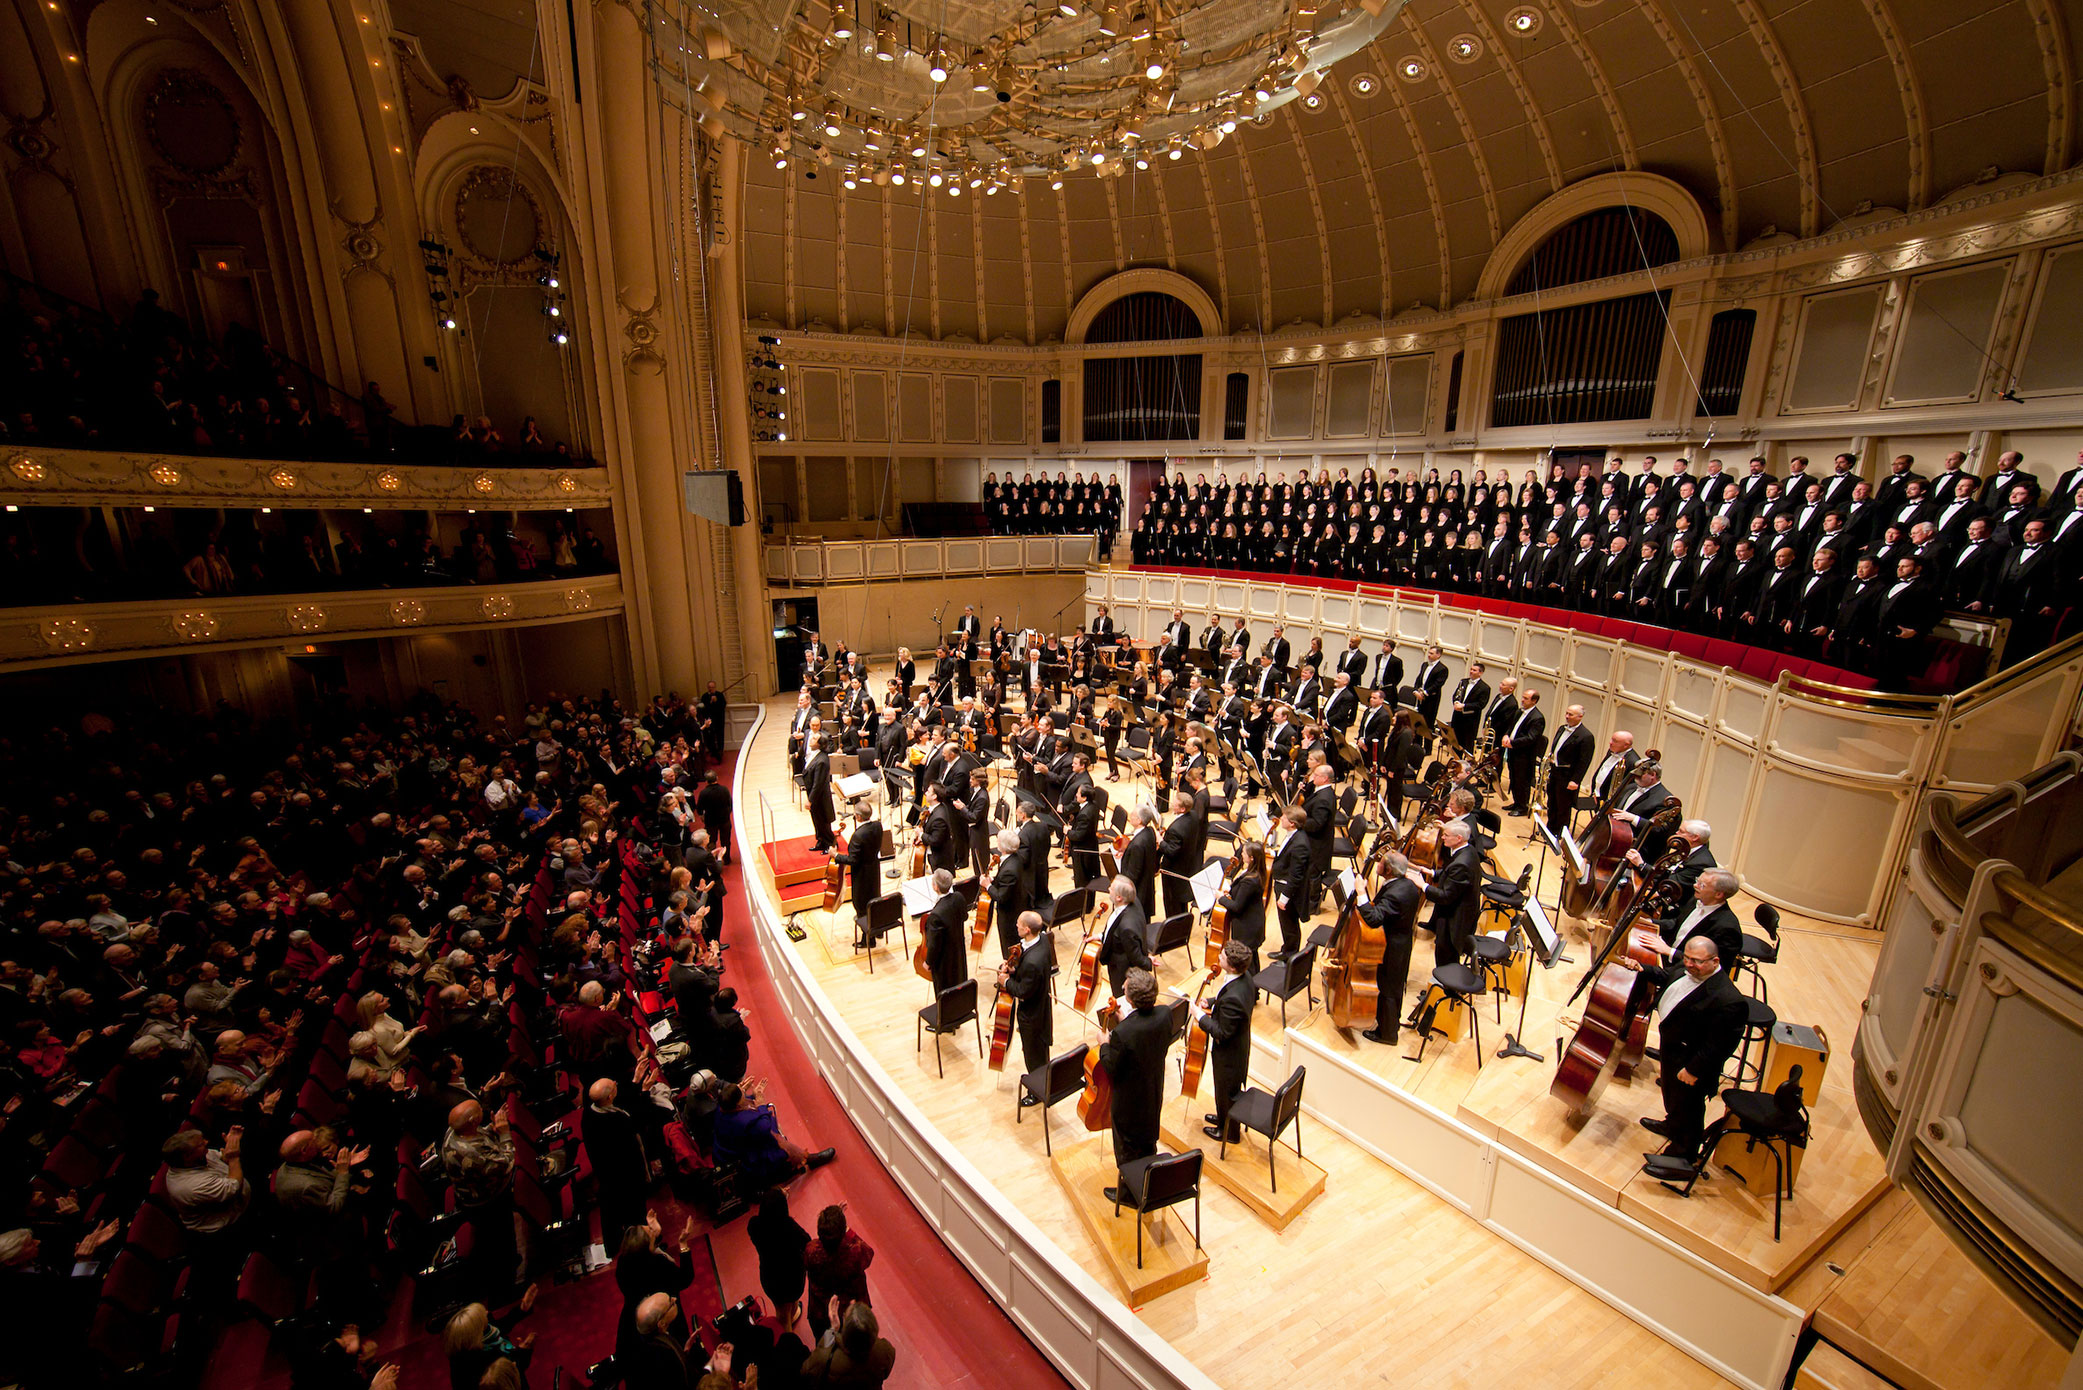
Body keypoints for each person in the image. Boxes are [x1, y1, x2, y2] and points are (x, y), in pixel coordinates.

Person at [1625, 937, 1748, 1159]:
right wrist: (1643, 968)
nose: (1690, 964)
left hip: (1692, 1061)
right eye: (1688, 958)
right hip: (1673, 1047)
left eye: (1697, 961)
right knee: (1672, 1095)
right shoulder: (1688, 968)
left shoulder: (1728, 1000)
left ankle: (1684, 1154)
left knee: (1689, 1106)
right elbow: (1667, 976)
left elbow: (1720, 1044)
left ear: (1715, 961)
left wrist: (1694, 1069)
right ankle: (1672, 1125)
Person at [1097, 968, 1173, 1200]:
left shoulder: (1123, 1033)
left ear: (1131, 999)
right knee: (1148, 1141)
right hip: (1152, 1090)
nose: (1122, 987)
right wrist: (1124, 1021)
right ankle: (1150, 1182)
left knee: (1127, 1149)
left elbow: (1111, 1067)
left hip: (1128, 1102)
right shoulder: (1165, 1014)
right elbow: (1143, 1038)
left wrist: (1104, 1045)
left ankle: (1130, 1193)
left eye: (1126, 987)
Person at [441, 1099, 520, 1298]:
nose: (482, 1113)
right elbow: (508, 1162)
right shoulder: (473, 1154)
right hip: (488, 1204)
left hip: (471, 1196)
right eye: (479, 1112)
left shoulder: (452, 1132)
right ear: (472, 1121)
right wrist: (504, 1132)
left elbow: (479, 1136)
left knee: (497, 1244)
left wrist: (492, 1128)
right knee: (500, 1244)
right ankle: (506, 1290)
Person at [1191, 940, 1257, 1142]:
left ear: (1233, 966)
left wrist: (1200, 1016)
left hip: (1229, 1055)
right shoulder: (1243, 977)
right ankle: (1222, 1118)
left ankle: (1229, 1132)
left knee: (1227, 1090)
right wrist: (1211, 1003)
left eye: (1223, 956)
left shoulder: (1235, 997)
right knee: (1222, 1090)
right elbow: (1224, 1000)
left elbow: (1221, 1032)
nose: (1219, 956)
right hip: (1236, 1047)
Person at [1359, 850, 1427, 1044]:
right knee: (1393, 987)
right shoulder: (1404, 884)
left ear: (1388, 870)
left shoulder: (1396, 893)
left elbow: (1373, 919)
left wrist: (1362, 893)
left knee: (1388, 989)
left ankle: (1388, 1034)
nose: (1377, 864)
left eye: (1380, 863)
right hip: (1399, 942)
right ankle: (1390, 1024)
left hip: (1392, 947)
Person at [712, 1082, 836, 1185]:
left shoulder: (722, 1108)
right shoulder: (742, 1122)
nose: (743, 1090)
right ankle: (807, 1159)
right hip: (748, 1158)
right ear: (738, 1103)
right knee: (780, 1144)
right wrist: (761, 1104)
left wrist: (751, 1095)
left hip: (729, 1150)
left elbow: (744, 1104)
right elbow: (765, 1126)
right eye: (742, 1093)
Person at [614, 1214, 699, 1363]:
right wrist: (683, 1244)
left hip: (636, 1322)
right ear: (648, 1247)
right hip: (665, 1317)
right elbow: (685, 1278)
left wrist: (655, 1234)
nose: (654, 1232)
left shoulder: (623, 1263)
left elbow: (647, 1250)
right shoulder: (658, 1265)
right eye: (652, 1234)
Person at [582, 1078, 650, 1254]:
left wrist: (635, 1083)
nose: (615, 1083)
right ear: (609, 1097)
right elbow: (638, 1130)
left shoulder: (588, 1115)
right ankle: (644, 1247)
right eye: (613, 1086)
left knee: (616, 1211)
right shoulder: (618, 1120)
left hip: (606, 1174)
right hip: (626, 1174)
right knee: (635, 1214)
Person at [803, 1204, 875, 1342]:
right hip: (851, 1315)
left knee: (825, 1346)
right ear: (843, 1233)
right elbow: (869, 1253)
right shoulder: (855, 1253)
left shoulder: (811, 1251)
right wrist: (846, 1229)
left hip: (821, 1313)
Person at [999, 909, 1055, 1080]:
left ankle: (1037, 1089)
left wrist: (1006, 982)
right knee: (1038, 1050)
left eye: (1019, 924)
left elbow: (1023, 991)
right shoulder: (1043, 939)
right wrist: (1015, 970)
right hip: (1041, 1003)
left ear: (1027, 930)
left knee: (1033, 1053)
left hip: (1032, 1015)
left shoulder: (1033, 962)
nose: (1016, 925)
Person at [443, 1291, 537, 1390]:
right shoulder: (475, 1366)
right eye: (482, 1316)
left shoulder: (482, 1332)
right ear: (476, 1334)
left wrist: (522, 1309)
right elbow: (509, 1376)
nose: (487, 1312)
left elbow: (501, 1326)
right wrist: (523, 1352)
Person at [746, 1188, 812, 1328]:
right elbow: (807, 1241)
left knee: (782, 1308)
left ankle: (791, 1313)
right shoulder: (789, 1227)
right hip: (792, 1279)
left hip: (770, 1278)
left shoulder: (754, 1225)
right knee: (783, 1319)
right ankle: (788, 1341)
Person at [1422, 821, 1481, 968]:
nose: (1442, 838)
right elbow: (1451, 873)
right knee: (1444, 953)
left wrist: (1423, 885)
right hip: (1458, 910)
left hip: (1455, 918)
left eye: (1446, 835)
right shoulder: (1467, 850)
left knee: (1446, 954)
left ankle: (1447, 989)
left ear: (1459, 838)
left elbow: (1445, 896)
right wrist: (1433, 873)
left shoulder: (1461, 863)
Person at [799, 1298, 898, 1386]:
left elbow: (806, 1372)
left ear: (845, 1332)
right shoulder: (885, 1350)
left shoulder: (825, 1358)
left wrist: (832, 1329)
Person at [832, 802, 883, 946]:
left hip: (861, 875)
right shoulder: (878, 826)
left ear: (858, 817)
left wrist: (836, 856)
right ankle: (878, 930)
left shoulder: (858, 836)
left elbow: (853, 860)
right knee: (875, 898)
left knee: (861, 906)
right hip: (874, 869)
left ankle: (868, 940)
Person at [1096, 875, 1152, 999]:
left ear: (1119, 897)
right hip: (1120, 956)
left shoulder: (1127, 928)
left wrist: (1149, 962)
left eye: (1111, 888)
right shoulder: (1132, 901)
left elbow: (1135, 956)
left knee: (1121, 1000)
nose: (1108, 888)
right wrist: (1101, 936)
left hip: (1121, 972)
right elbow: (1115, 930)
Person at [1216, 840, 1267, 975]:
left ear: (1251, 858)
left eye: (1244, 853)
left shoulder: (1250, 880)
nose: (1241, 854)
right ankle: (1254, 990)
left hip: (1247, 928)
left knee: (1246, 963)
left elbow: (1237, 906)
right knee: (1252, 958)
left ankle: (1250, 990)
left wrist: (1220, 898)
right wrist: (1231, 893)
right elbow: (1243, 896)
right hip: (1252, 922)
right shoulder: (1255, 872)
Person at [919, 869, 970, 1000]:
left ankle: (945, 1015)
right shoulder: (958, 897)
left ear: (936, 887)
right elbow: (964, 916)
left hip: (944, 960)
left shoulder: (935, 916)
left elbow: (934, 945)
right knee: (959, 981)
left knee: (944, 990)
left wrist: (928, 962)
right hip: (958, 950)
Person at [1271, 804, 1313, 956]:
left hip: (1288, 890)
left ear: (1292, 823)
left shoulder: (1300, 844)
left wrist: (1284, 898)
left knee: (1289, 924)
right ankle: (1286, 950)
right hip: (1283, 884)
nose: (1281, 818)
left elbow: (1296, 875)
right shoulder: (1293, 835)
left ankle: (1290, 954)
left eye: (1284, 817)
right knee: (1286, 923)